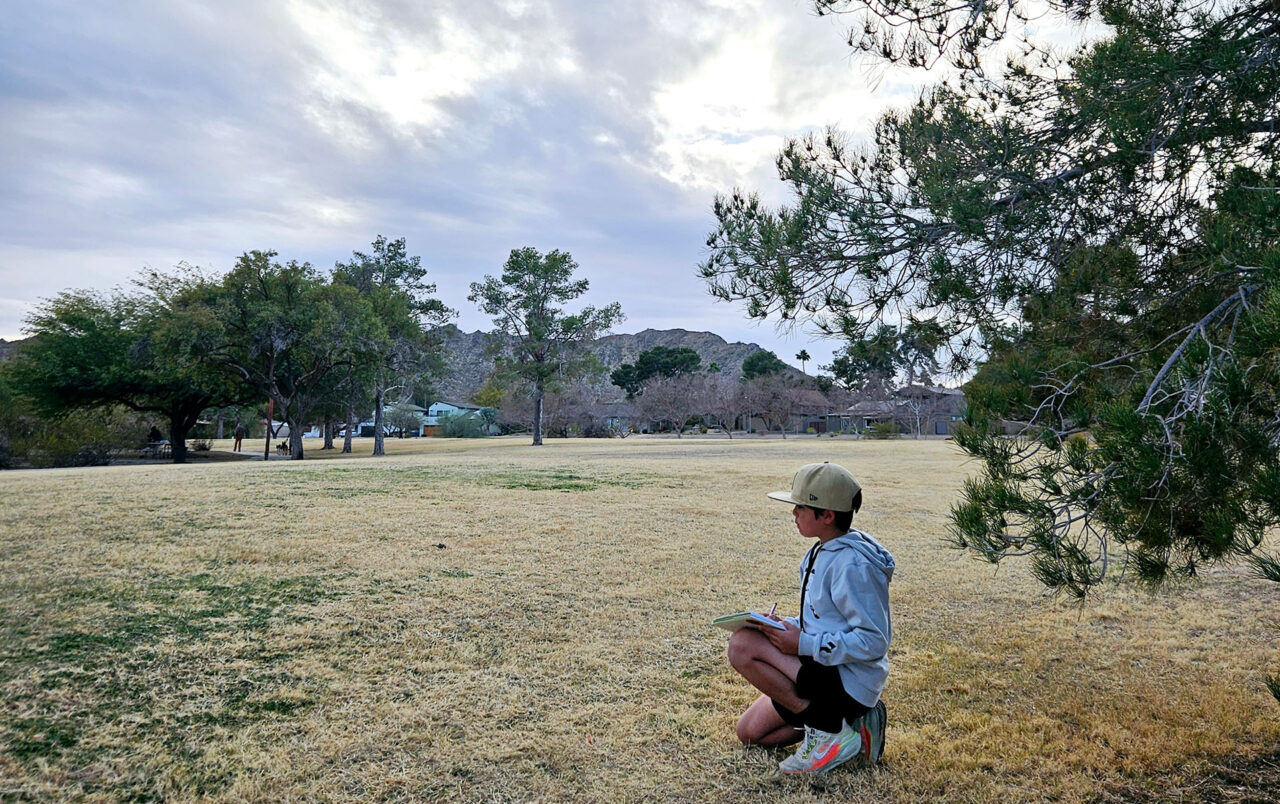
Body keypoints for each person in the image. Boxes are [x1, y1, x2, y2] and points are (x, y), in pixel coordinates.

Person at [727, 461, 894, 775]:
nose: (794, 514)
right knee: (750, 734)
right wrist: (784, 626)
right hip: (823, 671)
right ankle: (852, 730)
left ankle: (829, 730)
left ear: (827, 516)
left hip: (847, 681)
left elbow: (874, 641)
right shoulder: (821, 550)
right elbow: (826, 620)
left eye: (800, 507)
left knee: (742, 645)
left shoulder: (852, 564)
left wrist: (802, 642)